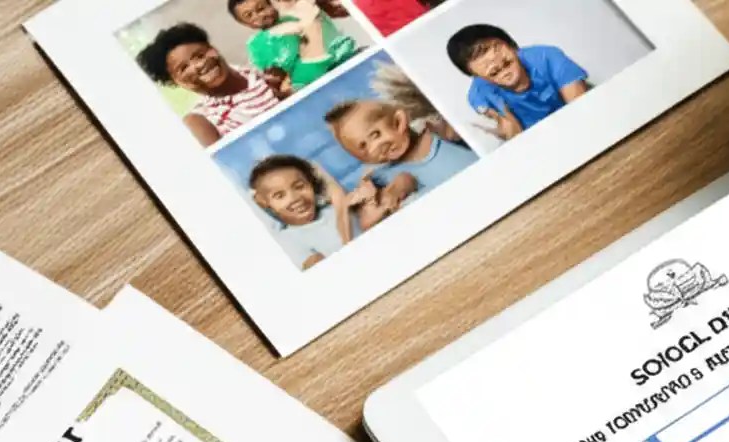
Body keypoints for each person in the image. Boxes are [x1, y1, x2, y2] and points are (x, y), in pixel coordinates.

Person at [136, 23, 290, 147]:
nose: (198, 65)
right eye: (183, 68)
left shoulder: (262, 73)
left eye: (200, 55)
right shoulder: (201, 120)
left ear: (213, 48)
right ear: (174, 82)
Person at [325, 99, 478, 218]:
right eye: (363, 147)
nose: (375, 147)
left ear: (399, 122)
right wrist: (369, 199)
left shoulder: (437, 132)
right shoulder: (381, 179)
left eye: (376, 135)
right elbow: (369, 219)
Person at [445, 24, 588, 141]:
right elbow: (516, 139)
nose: (493, 59)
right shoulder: (480, 95)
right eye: (477, 58)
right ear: (474, 75)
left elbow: (583, 110)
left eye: (496, 47)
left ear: (512, 46)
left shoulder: (547, 56)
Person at [249, 155, 362, 270]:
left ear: (311, 185)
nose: (295, 198)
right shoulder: (288, 238)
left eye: (299, 187)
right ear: (266, 204)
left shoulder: (334, 208)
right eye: (280, 196)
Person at [229, 0, 359, 89]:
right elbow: (272, 74)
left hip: (339, 61)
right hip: (308, 82)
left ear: (271, 4)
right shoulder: (257, 45)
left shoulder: (294, 16)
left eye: (261, 8)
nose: (259, 15)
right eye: (249, 15)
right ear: (244, 23)